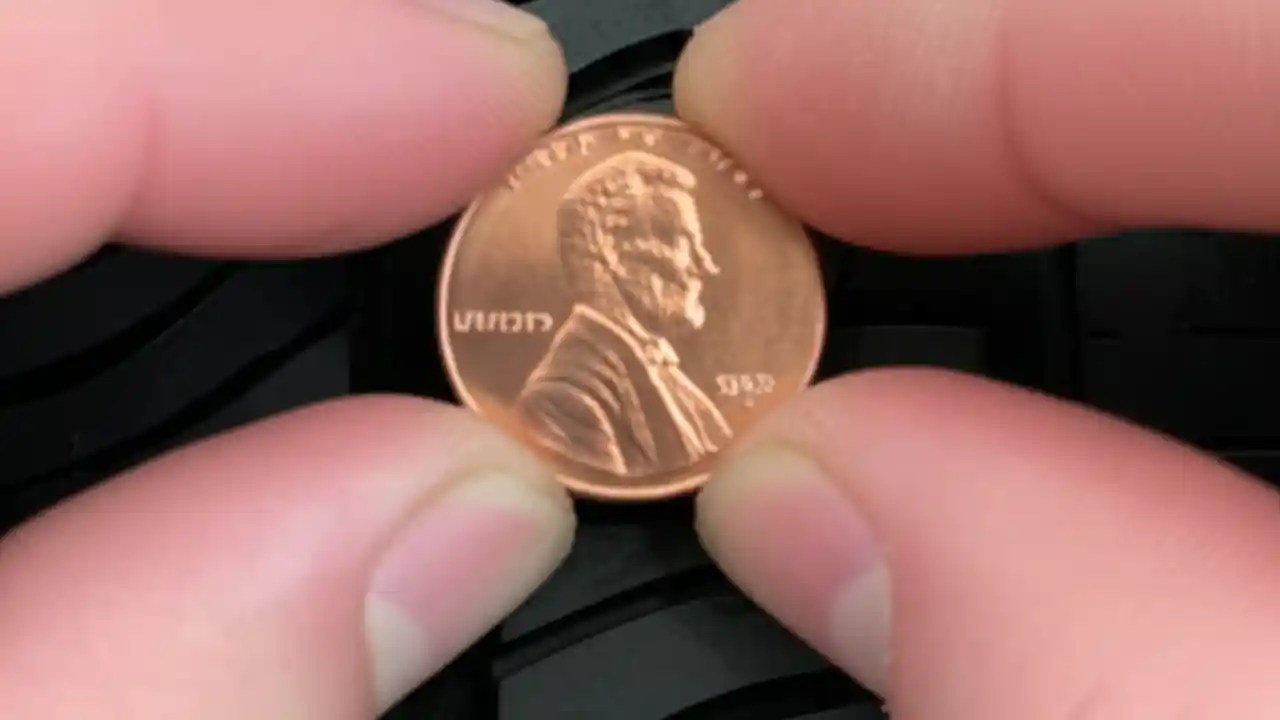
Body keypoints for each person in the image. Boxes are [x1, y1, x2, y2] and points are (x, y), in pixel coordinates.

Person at [0, 0, 1277, 717]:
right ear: (610, 264)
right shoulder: (580, 397)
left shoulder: (640, 384)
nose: (705, 272)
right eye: (674, 250)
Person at [515, 151, 732, 477]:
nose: (706, 266)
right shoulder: (562, 400)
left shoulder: (661, 370)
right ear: (610, 249)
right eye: (683, 241)